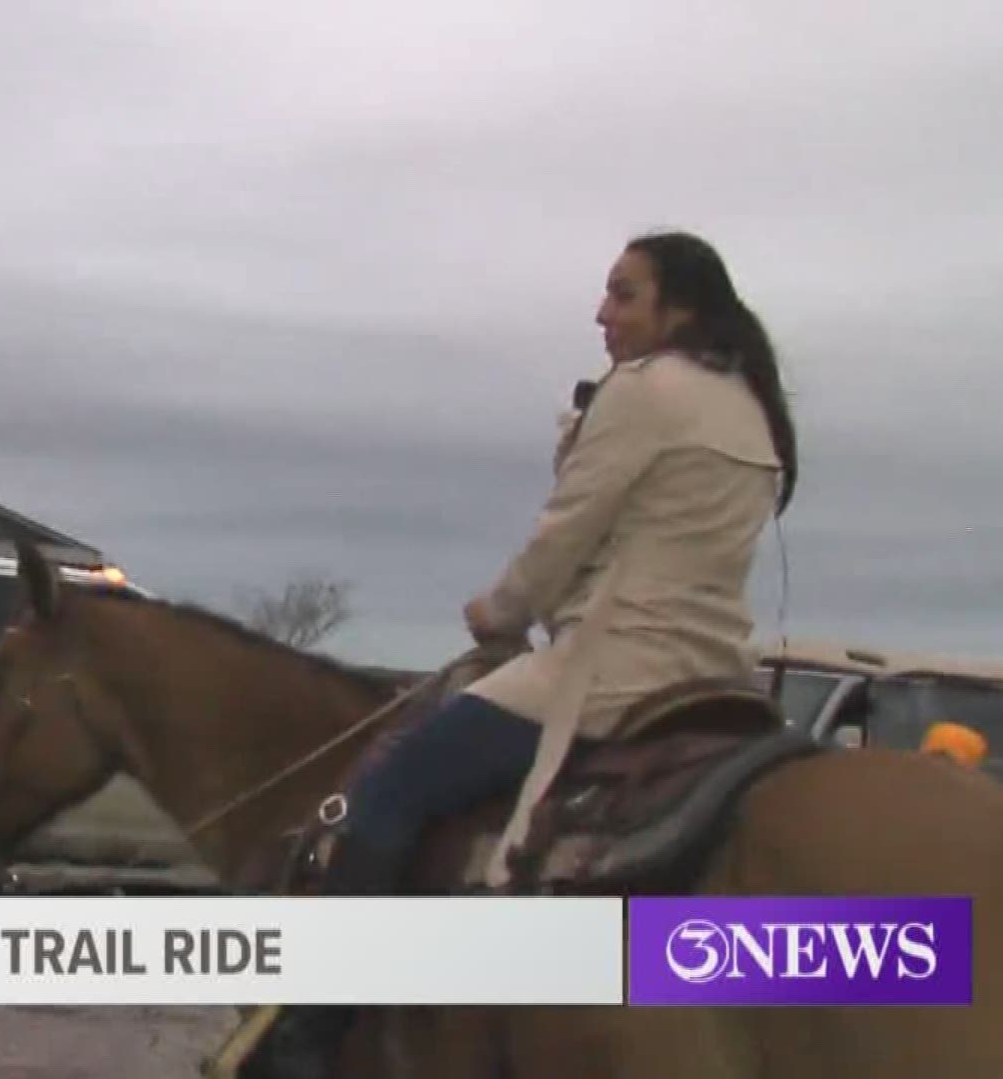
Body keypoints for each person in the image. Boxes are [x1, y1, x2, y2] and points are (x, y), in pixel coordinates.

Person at [243, 230, 799, 1079]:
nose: (602, 314)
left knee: (392, 790)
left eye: (623, 294)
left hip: (612, 670)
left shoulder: (644, 390)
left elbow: (565, 536)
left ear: (678, 310)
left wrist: (497, 610)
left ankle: (309, 1035)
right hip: (718, 675)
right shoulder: (753, 409)